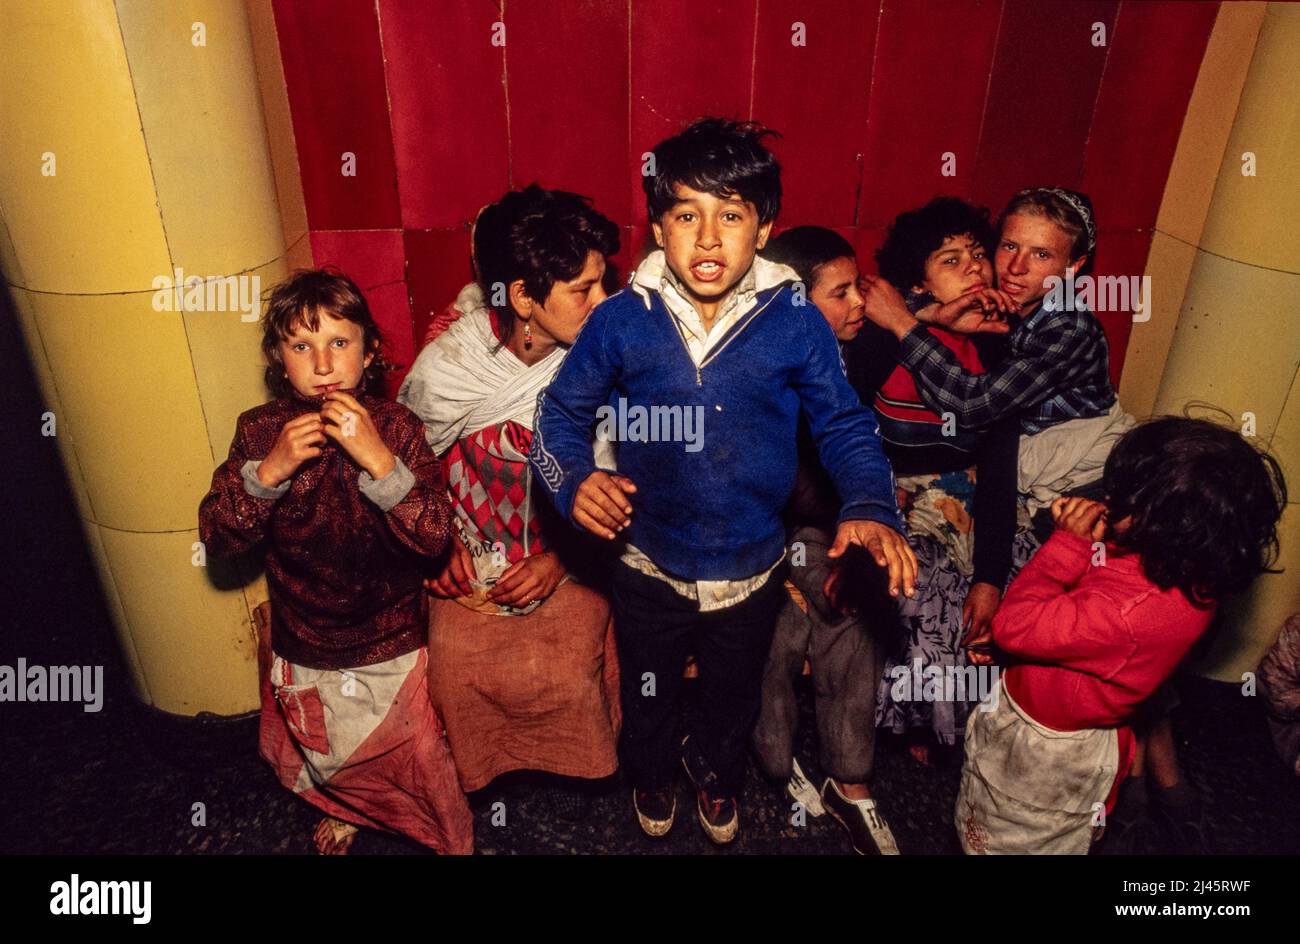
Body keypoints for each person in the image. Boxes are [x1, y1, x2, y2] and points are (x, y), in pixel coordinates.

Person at [530, 118, 915, 845]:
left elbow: (844, 424)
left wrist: (869, 502)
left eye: (730, 215)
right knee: (648, 691)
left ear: (764, 227)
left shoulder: (796, 320)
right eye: (686, 215)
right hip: (646, 564)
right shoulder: (619, 320)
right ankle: (651, 773)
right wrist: (575, 478)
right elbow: (556, 418)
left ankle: (716, 778)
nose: (708, 240)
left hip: (751, 567)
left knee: (733, 696)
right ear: (657, 227)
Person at [198, 269, 473, 855]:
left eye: (339, 343)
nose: (322, 364)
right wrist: (268, 473)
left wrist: (379, 461)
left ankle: (448, 838)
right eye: (302, 346)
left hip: (392, 634)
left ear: (370, 352)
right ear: (279, 358)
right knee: (328, 753)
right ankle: (347, 809)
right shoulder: (260, 431)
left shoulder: (396, 428)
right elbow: (218, 538)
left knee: (417, 754)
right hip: (307, 637)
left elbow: (434, 538)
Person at [956, 417, 1287, 854]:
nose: (1110, 498)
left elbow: (1015, 625)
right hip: (1065, 726)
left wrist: (1066, 547)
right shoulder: (1188, 581)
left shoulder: (1126, 612)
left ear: (1168, 526)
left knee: (1014, 837)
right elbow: (1090, 620)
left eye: (1129, 498)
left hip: (1046, 752)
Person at [398, 185, 622, 818]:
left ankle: (585, 781)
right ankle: (484, 784)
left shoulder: (602, 360)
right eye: (583, 290)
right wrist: (436, 551)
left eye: (602, 282)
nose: (603, 303)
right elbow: (405, 470)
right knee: (455, 670)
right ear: (524, 297)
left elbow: (620, 483)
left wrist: (557, 560)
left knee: (568, 668)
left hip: (574, 546)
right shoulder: (452, 364)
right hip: (470, 549)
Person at [838, 199, 1037, 766]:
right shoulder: (876, 344)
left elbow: (999, 471)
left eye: (978, 253)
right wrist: (916, 320)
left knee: (1014, 583)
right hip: (893, 490)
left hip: (971, 495)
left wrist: (991, 579)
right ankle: (924, 720)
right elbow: (841, 430)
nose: (975, 266)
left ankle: (989, 724)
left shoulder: (1000, 344)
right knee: (917, 587)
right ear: (918, 284)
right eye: (952, 259)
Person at [859, 187, 1135, 542]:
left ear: (1073, 267)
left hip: (1087, 484)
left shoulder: (1069, 329)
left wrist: (903, 323)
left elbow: (972, 405)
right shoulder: (1006, 304)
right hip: (1028, 479)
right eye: (1009, 246)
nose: (1016, 268)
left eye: (1041, 254)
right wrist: (927, 311)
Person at [749, 225, 900, 854]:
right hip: (752, 537)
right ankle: (777, 766)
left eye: (856, 287)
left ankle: (851, 781)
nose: (858, 303)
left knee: (849, 606)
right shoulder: (753, 366)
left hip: (816, 528)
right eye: (840, 293)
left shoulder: (857, 351)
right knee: (777, 627)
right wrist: (784, 573)